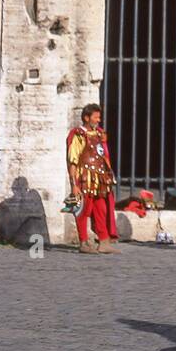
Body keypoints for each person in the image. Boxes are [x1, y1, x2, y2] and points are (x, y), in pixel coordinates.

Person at [66, 104, 119, 254]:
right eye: (96, 117)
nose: (98, 120)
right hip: (85, 177)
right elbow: (73, 160)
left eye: (99, 117)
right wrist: (73, 184)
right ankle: (83, 242)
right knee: (82, 209)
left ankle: (104, 242)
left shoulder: (99, 134)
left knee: (101, 209)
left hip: (100, 179)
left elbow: (104, 156)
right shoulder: (77, 134)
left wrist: (109, 175)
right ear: (86, 117)